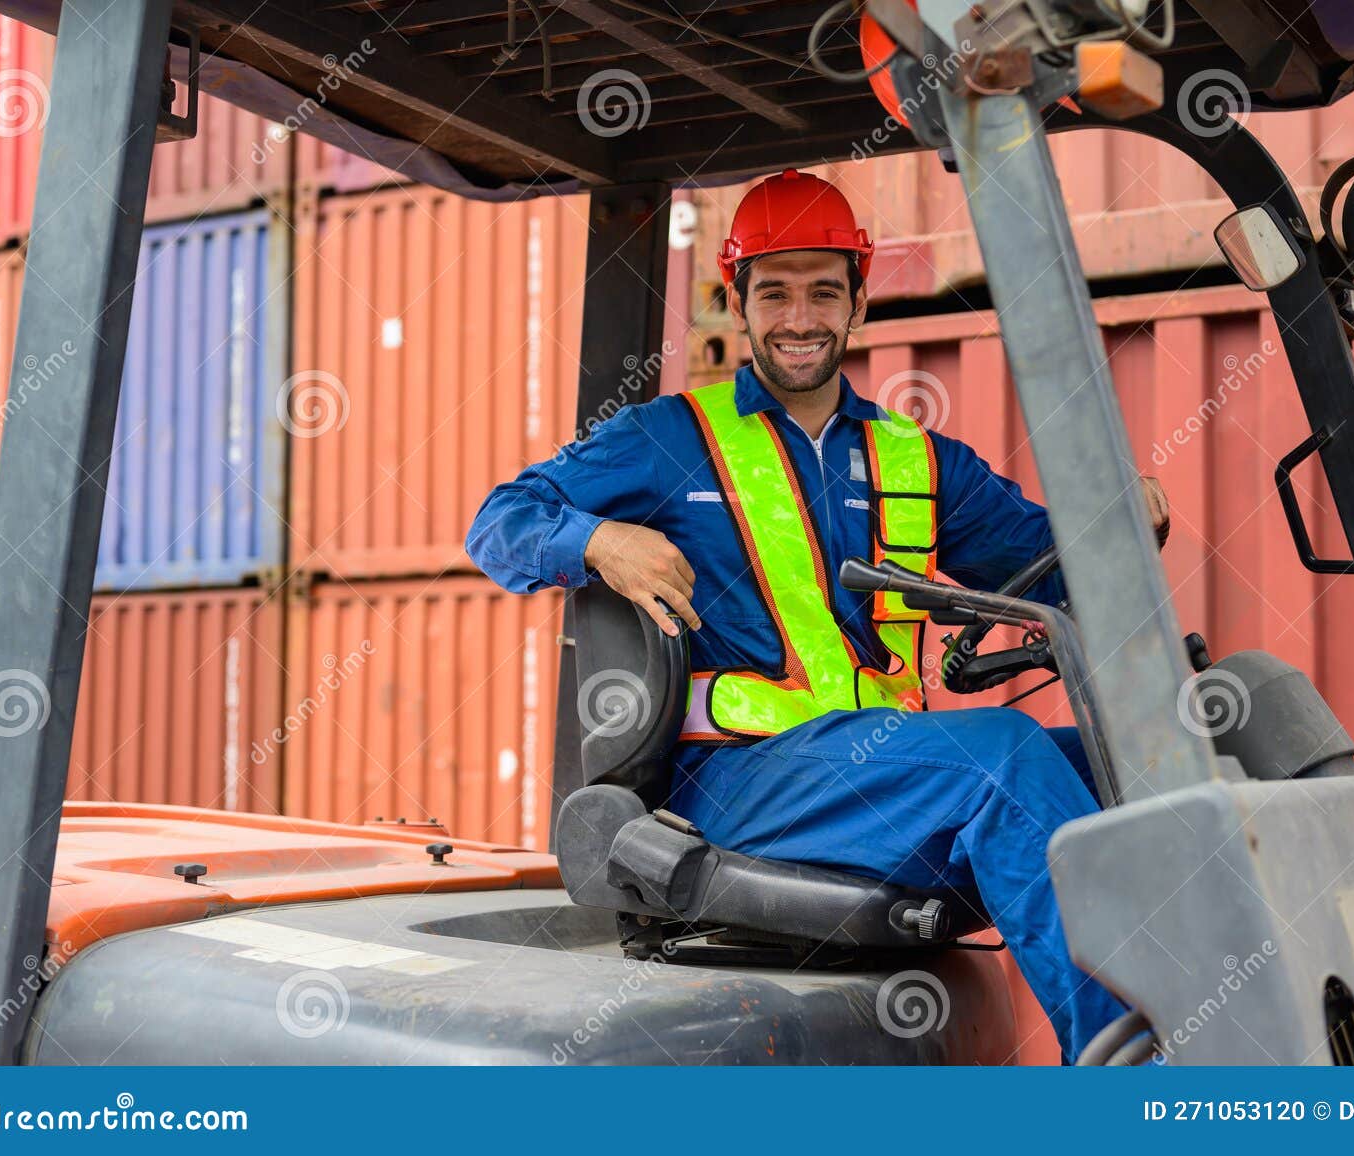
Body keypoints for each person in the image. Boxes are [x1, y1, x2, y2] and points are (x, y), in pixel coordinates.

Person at [466, 169, 1169, 1063]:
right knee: (1002, 758)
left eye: (823, 292)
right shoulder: (666, 437)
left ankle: (1225, 1036)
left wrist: (1122, 528)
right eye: (775, 292)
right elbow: (499, 524)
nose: (800, 317)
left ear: (859, 304)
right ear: (737, 302)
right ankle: (1134, 1084)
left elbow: (1055, 573)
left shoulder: (916, 458)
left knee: (1137, 766)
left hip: (873, 778)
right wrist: (600, 540)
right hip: (738, 785)